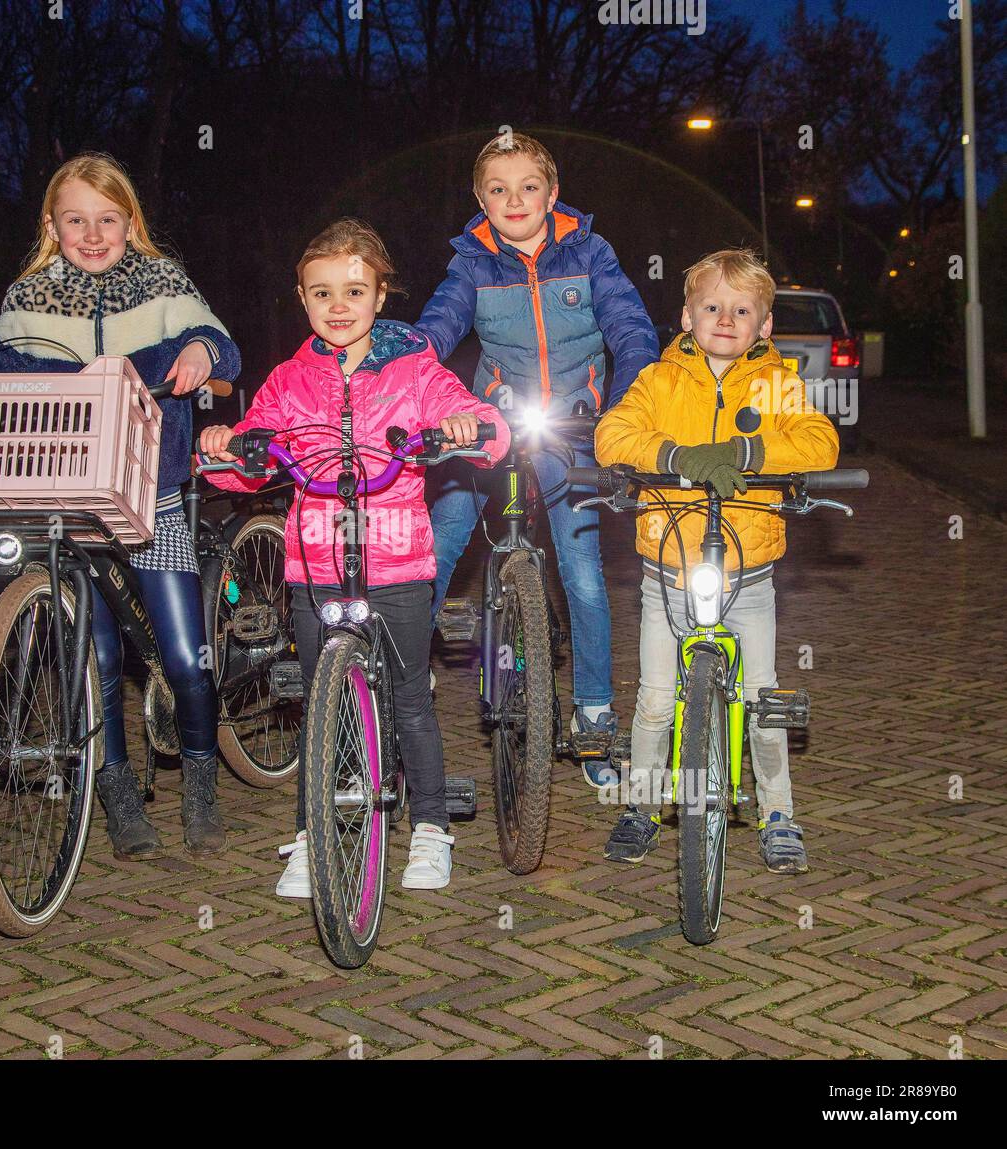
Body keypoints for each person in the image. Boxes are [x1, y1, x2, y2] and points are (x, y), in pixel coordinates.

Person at [200, 219, 510, 894]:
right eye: (322, 293)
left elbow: (483, 423)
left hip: (396, 563)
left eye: (353, 290)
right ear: (303, 300)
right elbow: (250, 452)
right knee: (321, 702)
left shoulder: (414, 370)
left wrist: (467, 427)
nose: (338, 306)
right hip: (313, 567)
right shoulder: (289, 380)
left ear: (380, 295)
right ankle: (317, 832)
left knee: (408, 701)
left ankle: (430, 827)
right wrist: (229, 445)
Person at [0, 152, 240, 858]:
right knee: (94, 659)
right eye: (76, 219)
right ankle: (114, 792)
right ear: (52, 226)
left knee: (186, 656)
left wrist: (200, 350)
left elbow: (222, 347)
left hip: (152, 491)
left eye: (108, 218)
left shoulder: (161, 282)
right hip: (67, 494)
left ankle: (200, 781)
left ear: (129, 222)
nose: (93, 232)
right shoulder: (33, 297)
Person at [414, 131, 659, 786]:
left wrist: (624, 409)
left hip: (574, 424)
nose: (514, 199)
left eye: (528, 187)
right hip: (492, 418)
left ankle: (595, 719)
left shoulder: (591, 252)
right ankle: (403, 682)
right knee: (442, 537)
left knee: (581, 568)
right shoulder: (472, 263)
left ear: (553, 193)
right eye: (498, 189)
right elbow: (439, 324)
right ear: (480, 200)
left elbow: (631, 329)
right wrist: (400, 364)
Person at [594, 248, 839, 873]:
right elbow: (611, 435)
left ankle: (778, 812)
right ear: (686, 316)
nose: (725, 319)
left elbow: (820, 441)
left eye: (742, 310)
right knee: (653, 698)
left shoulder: (777, 383)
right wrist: (675, 456)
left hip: (748, 566)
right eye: (711, 307)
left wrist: (748, 451)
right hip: (668, 564)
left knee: (761, 696)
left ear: (764, 326)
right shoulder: (659, 381)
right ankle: (643, 805)